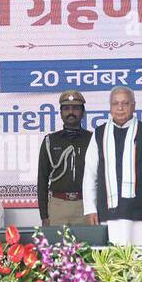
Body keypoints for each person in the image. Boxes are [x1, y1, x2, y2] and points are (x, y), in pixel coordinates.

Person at [82, 86, 142, 246]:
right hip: (107, 213)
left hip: (141, 214)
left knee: (140, 263)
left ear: (133, 106)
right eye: (115, 104)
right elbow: (90, 174)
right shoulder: (99, 134)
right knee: (111, 262)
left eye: (125, 103)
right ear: (110, 106)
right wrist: (90, 209)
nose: (120, 108)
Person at [37, 90, 93, 227]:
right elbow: (42, 180)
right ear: (60, 113)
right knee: (56, 247)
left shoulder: (93, 140)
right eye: (66, 108)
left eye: (75, 108)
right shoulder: (50, 141)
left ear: (83, 112)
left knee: (86, 247)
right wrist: (44, 215)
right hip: (57, 206)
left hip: (84, 205)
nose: (71, 112)